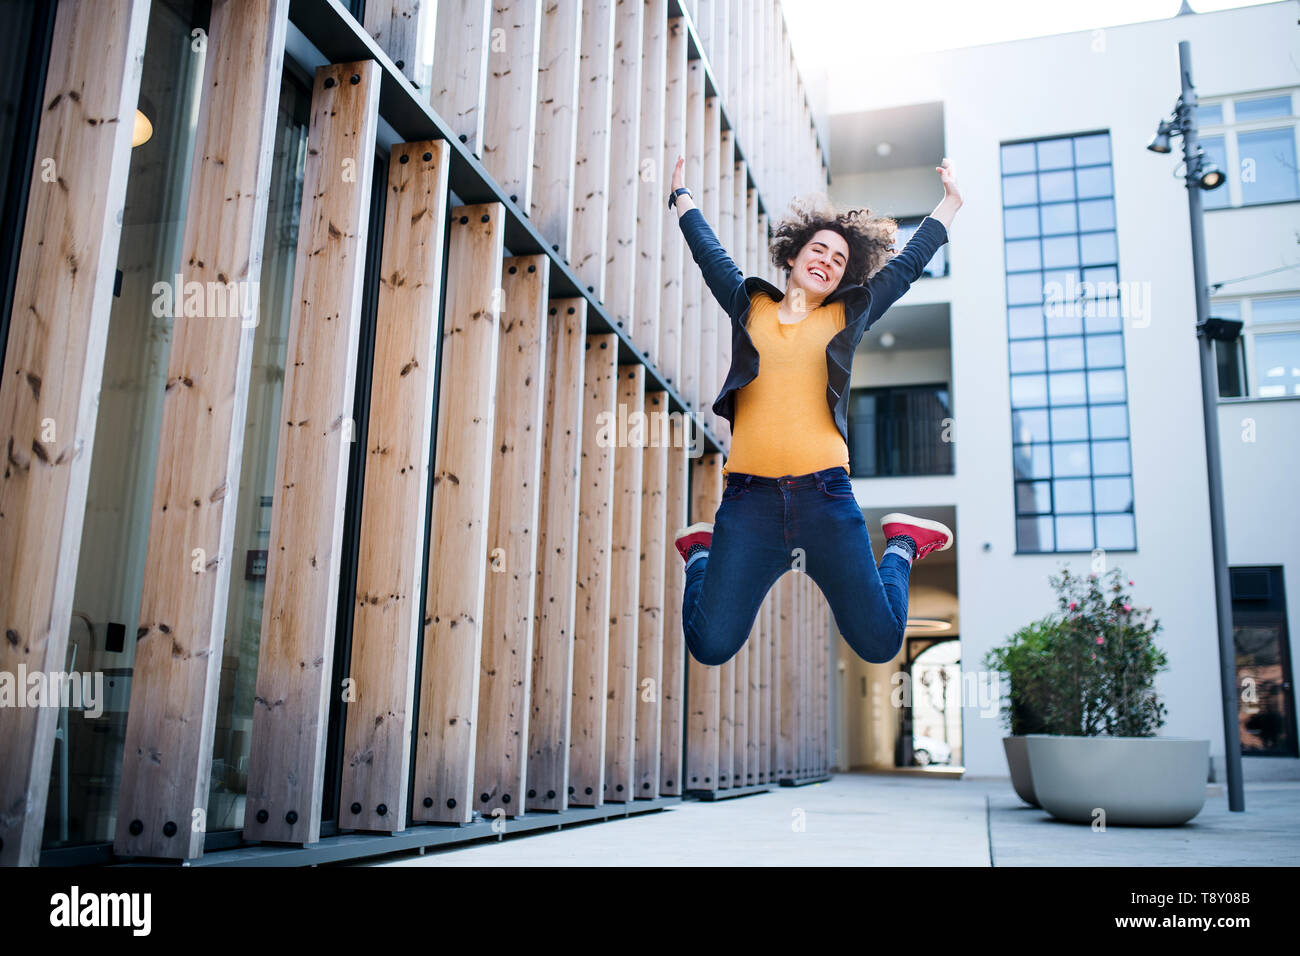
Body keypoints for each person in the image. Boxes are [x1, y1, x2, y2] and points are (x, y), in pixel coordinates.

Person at [667, 155, 963, 666]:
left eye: (838, 260)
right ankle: (701, 552)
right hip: (748, 504)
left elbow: (909, 264)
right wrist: (681, 199)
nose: (825, 260)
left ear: (845, 275)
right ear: (793, 256)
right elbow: (709, 254)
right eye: (817, 249)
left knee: (880, 642)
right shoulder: (749, 305)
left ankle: (902, 546)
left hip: (825, 499)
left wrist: (950, 205)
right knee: (709, 645)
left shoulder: (849, 314)